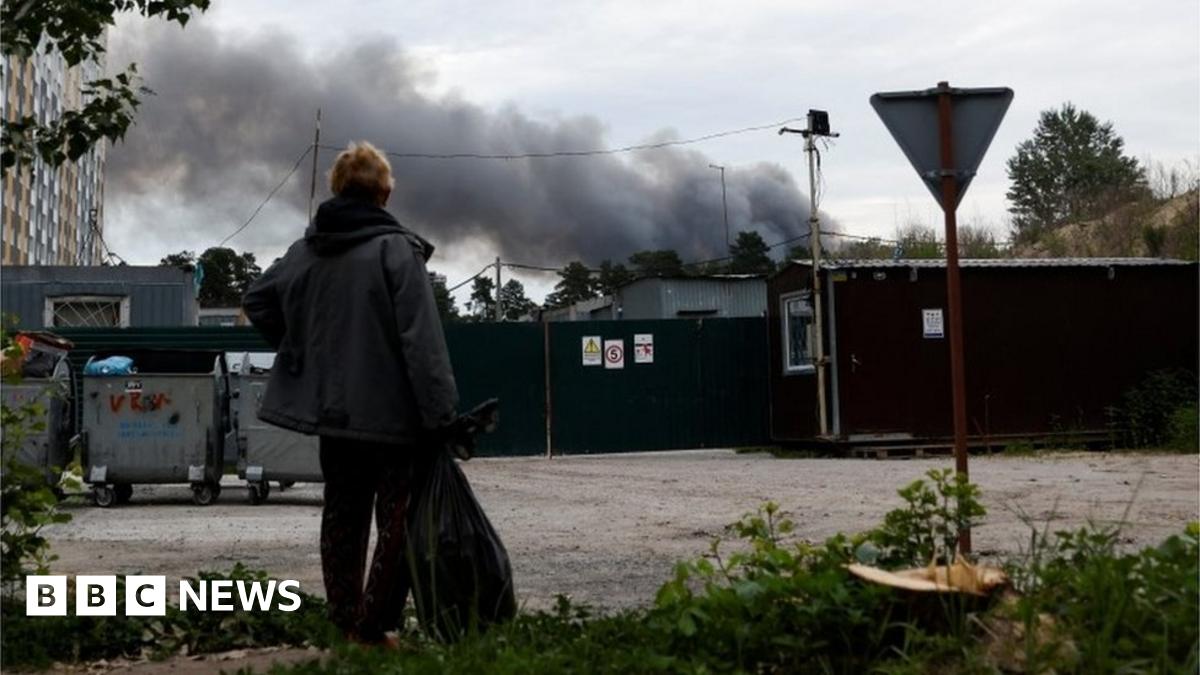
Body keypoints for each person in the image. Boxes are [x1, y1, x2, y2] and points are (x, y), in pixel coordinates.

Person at [243, 141, 458, 644]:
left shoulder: (305, 251)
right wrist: (443, 415)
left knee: (342, 513)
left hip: (334, 416)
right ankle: (374, 627)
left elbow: (257, 299)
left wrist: (303, 349)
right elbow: (422, 343)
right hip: (393, 418)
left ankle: (345, 622)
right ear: (383, 193)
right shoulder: (395, 250)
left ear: (338, 189)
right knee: (398, 521)